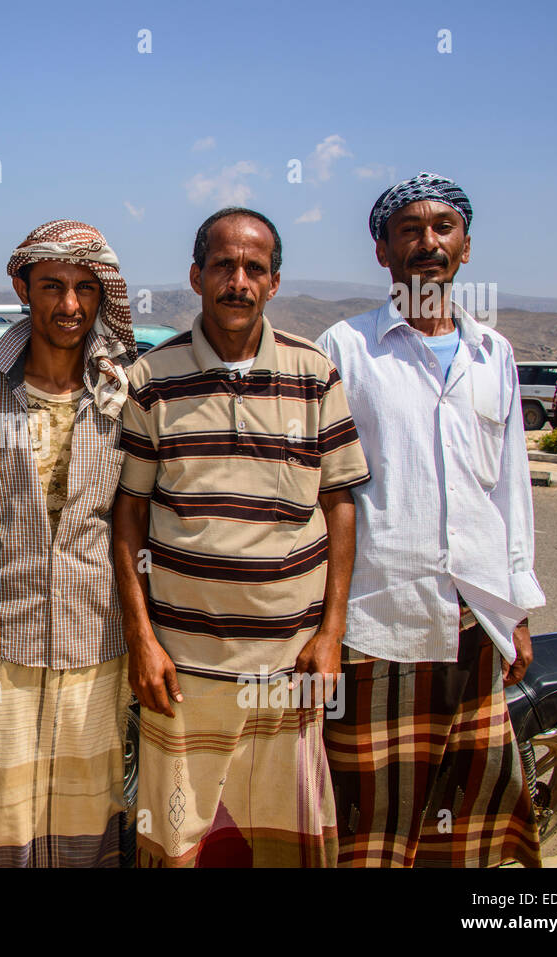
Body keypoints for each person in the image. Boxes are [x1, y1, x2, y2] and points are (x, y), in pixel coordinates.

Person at [113, 207, 369, 867]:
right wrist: (142, 639)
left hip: (289, 670)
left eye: (255, 268)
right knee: (177, 844)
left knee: (281, 846)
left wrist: (331, 632)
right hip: (182, 673)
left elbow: (340, 504)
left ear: (275, 283)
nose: (238, 281)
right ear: (196, 275)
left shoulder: (315, 375)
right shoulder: (153, 379)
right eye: (223, 265)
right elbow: (130, 515)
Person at [315, 172, 544, 868]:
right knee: (372, 819)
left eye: (442, 228)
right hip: (379, 619)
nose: (427, 243)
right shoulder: (346, 348)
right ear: (382, 251)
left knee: (465, 818)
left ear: (465, 247)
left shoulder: (492, 353)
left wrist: (519, 607)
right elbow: (325, 488)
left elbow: (509, 487)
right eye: (409, 230)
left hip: (476, 618)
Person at [0, 221, 137, 868]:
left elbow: (134, 521)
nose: (70, 305)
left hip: (97, 646)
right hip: (1, 648)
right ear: (22, 288)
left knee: (88, 825)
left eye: (86, 288)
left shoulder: (120, 393)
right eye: (53, 286)